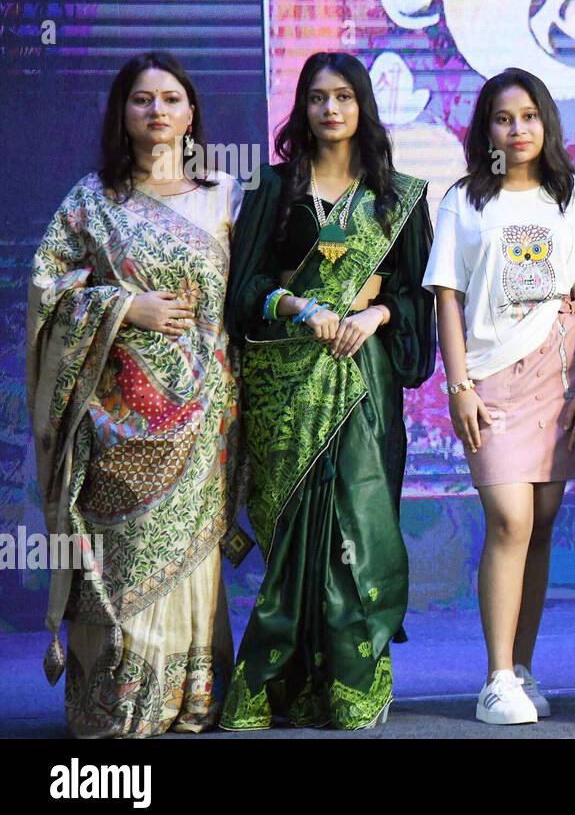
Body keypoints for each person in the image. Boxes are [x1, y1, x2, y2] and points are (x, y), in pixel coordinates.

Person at [28, 51, 241, 736]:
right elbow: (45, 288)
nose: (157, 111)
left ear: (191, 113)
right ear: (122, 113)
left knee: (192, 560)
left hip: (204, 417)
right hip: (115, 417)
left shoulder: (225, 194)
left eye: (171, 98)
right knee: (119, 564)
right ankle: (119, 707)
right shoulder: (94, 199)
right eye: (142, 99)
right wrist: (124, 306)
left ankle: (193, 699)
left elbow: (249, 293)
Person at [219, 52, 434, 731]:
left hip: (363, 381)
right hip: (289, 381)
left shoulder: (396, 197)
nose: (331, 109)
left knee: (355, 528)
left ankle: (352, 677)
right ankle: (278, 681)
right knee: (294, 537)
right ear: (303, 108)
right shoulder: (272, 187)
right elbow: (244, 291)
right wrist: (300, 307)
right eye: (317, 97)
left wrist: (372, 314)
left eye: (343, 96)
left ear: (363, 106)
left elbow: (411, 297)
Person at [426, 68, 575, 725]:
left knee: (541, 526)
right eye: (504, 118)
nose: (518, 128)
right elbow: (447, 294)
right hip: (490, 381)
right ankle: (495, 677)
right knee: (510, 520)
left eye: (529, 115)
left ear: (546, 122)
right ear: (486, 129)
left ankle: (522, 666)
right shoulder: (464, 200)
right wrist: (458, 386)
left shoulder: (574, 197)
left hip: (558, 379)